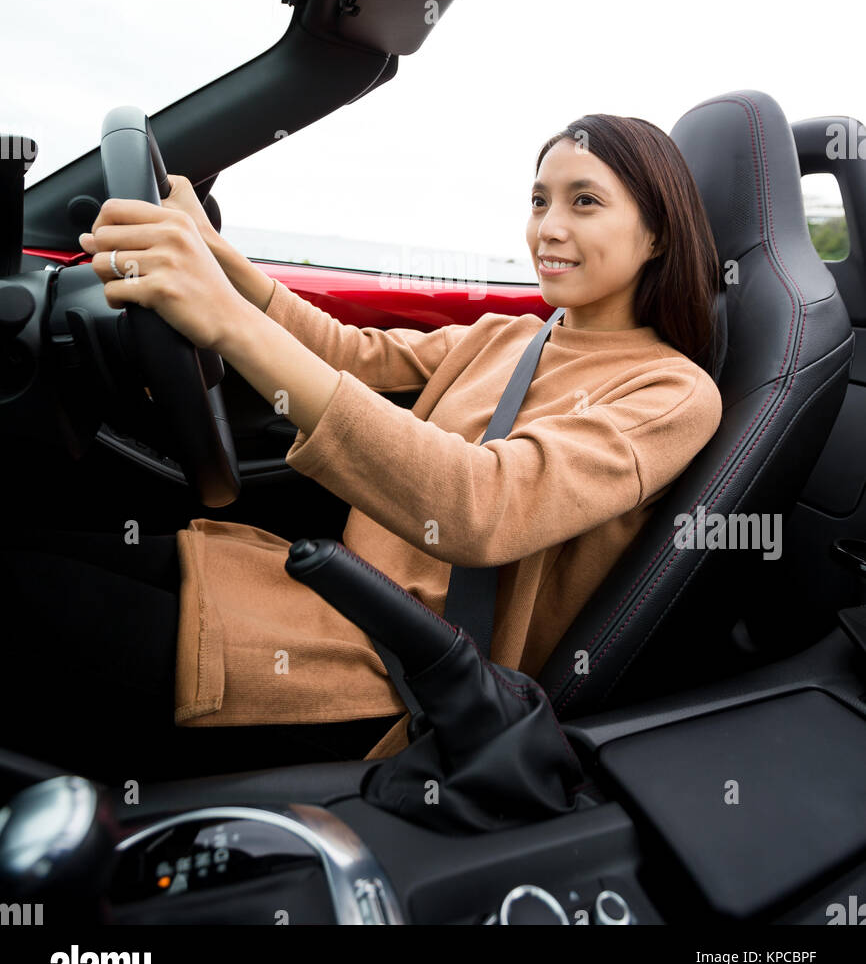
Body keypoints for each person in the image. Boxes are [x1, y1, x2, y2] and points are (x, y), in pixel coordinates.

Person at [2, 115, 724, 784]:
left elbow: (483, 505)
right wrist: (218, 260)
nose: (549, 228)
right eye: (539, 202)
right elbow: (348, 353)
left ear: (657, 235)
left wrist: (227, 322)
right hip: (314, 592)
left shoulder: (670, 394)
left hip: (387, 677)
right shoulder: (508, 337)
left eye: (585, 202)